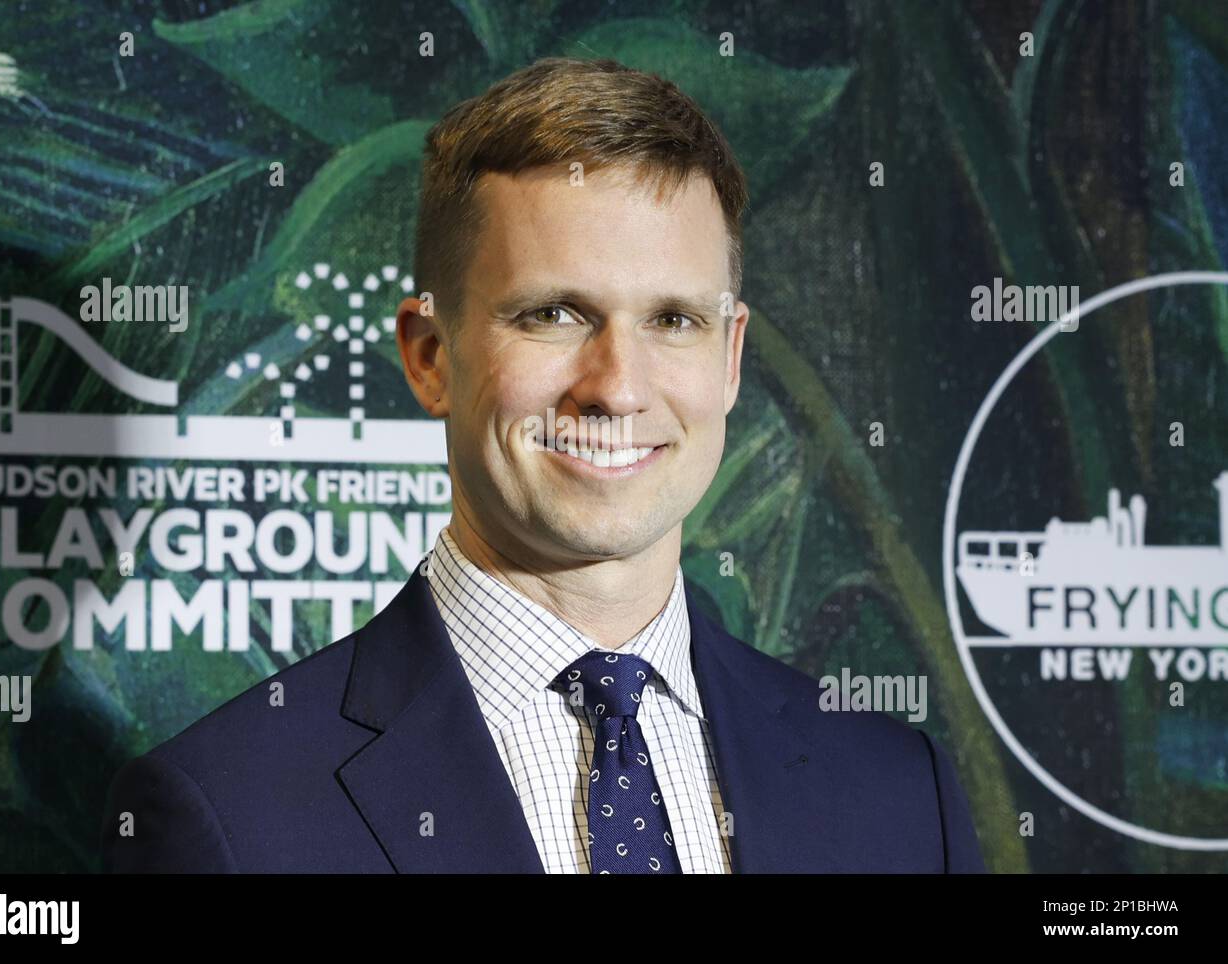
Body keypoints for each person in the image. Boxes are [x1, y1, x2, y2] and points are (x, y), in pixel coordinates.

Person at [101, 56, 985, 874]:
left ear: (730, 358)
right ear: (429, 353)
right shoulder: (229, 815)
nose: (616, 387)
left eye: (673, 319)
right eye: (554, 315)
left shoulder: (901, 797)